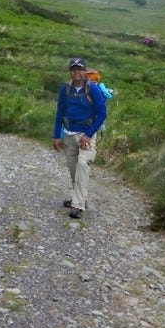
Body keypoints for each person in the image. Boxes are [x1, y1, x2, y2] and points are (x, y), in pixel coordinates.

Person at [53, 57, 107, 218]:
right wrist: (57, 135)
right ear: (70, 71)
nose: (77, 72)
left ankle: (78, 205)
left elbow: (102, 113)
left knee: (83, 164)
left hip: (86, 135)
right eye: (73, 69)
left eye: (80, 69)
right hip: (69, 134)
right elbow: (60, 113)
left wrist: (89, 135)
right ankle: (80, 198)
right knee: (73, 169)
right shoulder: (66, 89)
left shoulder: (93, 89)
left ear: (84, 71)